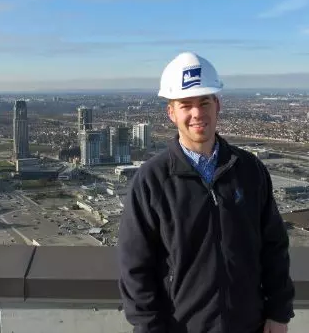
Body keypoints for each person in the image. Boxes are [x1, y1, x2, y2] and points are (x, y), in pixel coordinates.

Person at [117, 52, 295, 333]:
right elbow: (135, 267)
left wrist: (279, 312)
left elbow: (274, 247)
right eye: (186, 105)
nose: (197, 113)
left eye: (204, 102)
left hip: (250, 325)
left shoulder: (249, 171)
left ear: (217, 105)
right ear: (171, 112)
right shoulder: (152, 180)